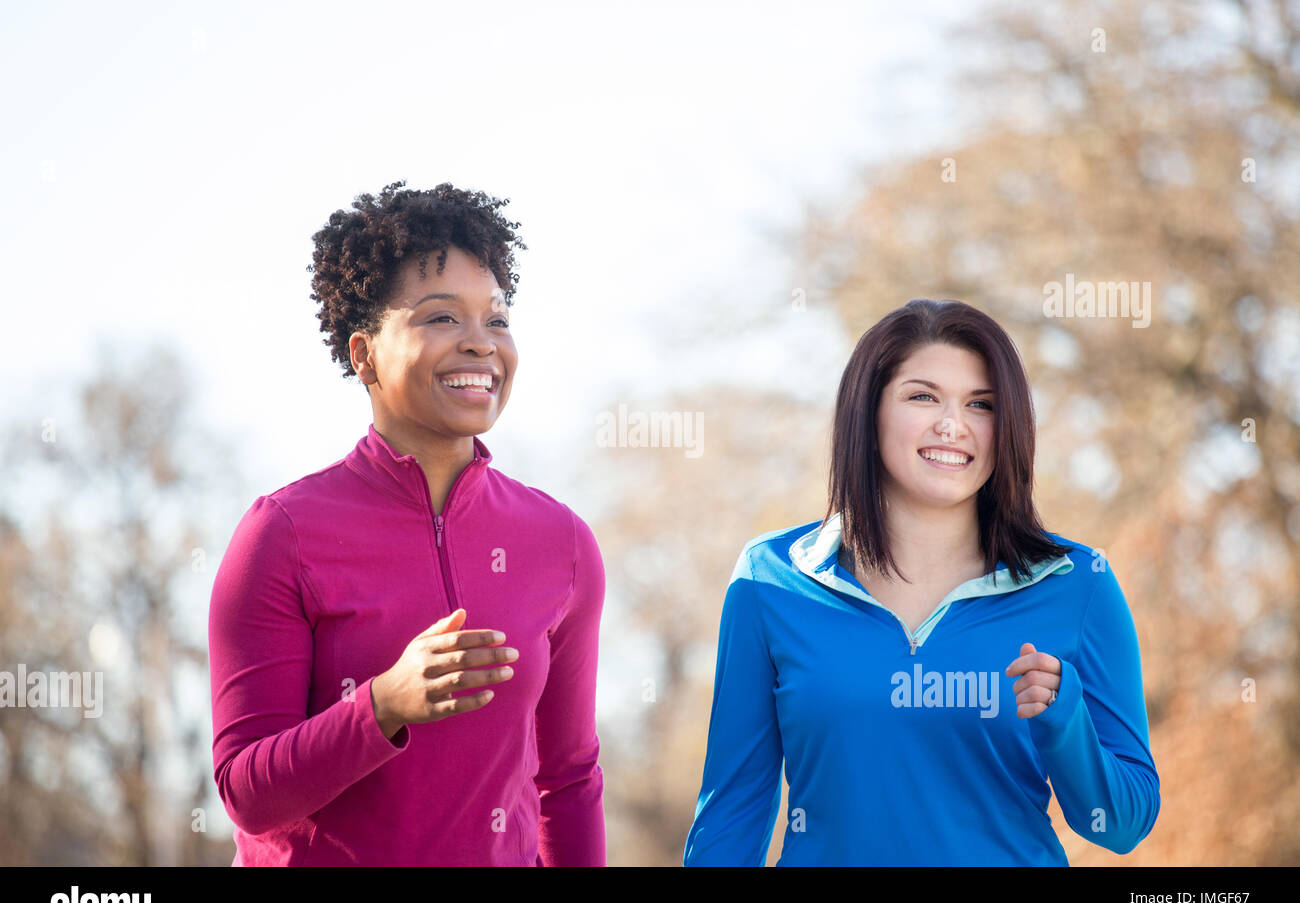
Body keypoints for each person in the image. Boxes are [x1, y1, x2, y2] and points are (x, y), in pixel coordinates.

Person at [208, 181, 606, 866]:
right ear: (363, 355)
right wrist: (382, 705)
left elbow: (566, 782)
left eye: (497, 319)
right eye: (442, 319)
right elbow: (247, 791)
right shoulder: (282, 535)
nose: (481, 345)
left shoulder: (560, 543)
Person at [683, 298, 1160, 865]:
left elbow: (1123, 825)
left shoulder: (1079, 586)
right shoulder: (771, 580)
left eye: (980, 404)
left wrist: (1065, 717)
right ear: (869, 412)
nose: (952, 424)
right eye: (922, 396)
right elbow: (732, 810)